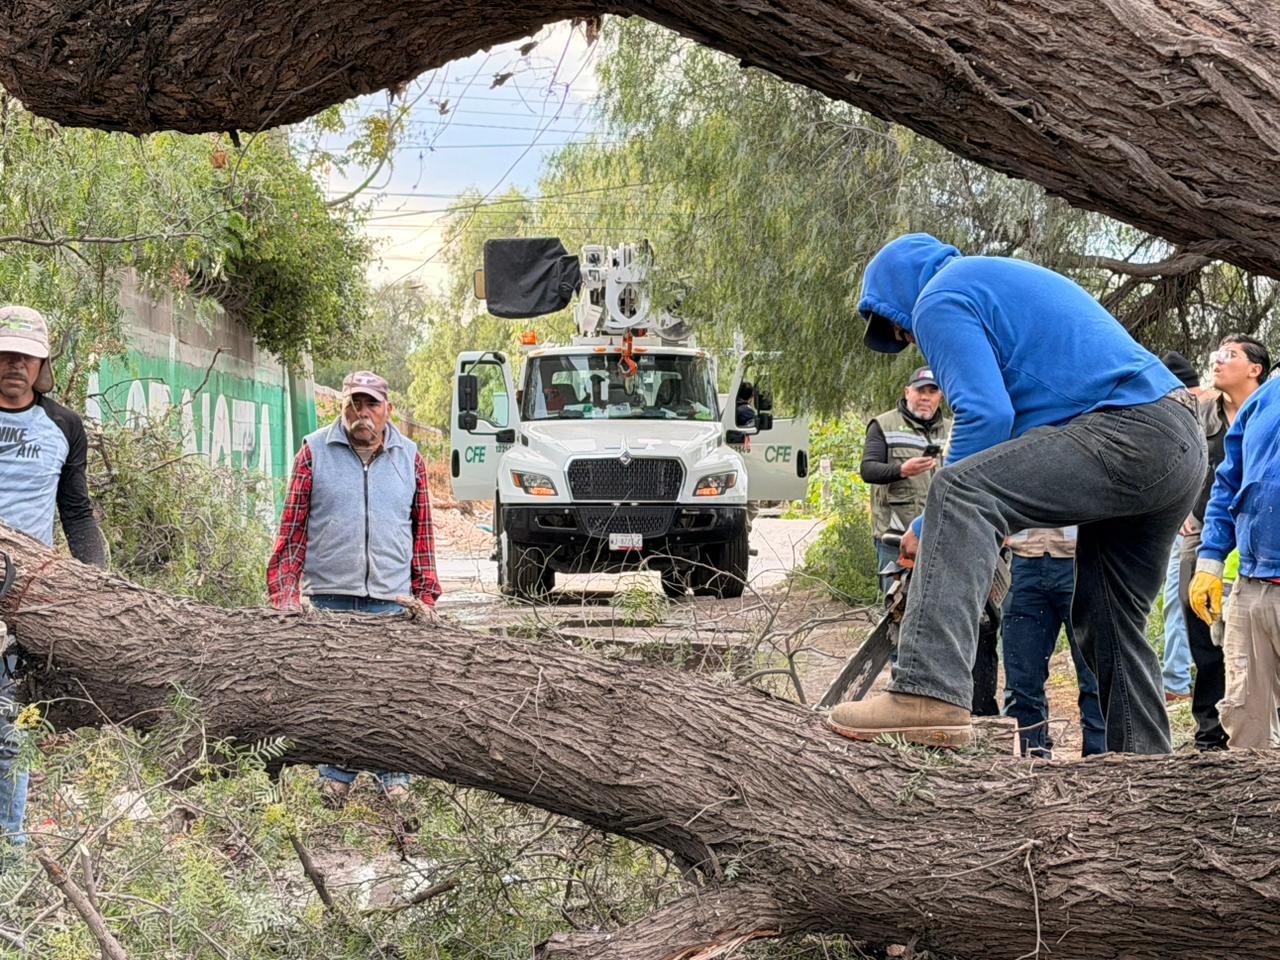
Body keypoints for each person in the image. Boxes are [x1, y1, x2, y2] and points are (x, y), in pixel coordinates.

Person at [828, 233, 1206, 753]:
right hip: (1177, 441)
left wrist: (930, 524)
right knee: (1107, 613)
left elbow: (987, 415)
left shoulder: (938, 296)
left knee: (958, 491)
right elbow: (1019, 442)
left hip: (1129, 432)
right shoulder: (994, 281)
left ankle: (926, 693)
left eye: (901, 329)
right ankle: (1143, 771)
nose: (912, 339)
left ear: (898, 295)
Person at [267, 370, 442, 805]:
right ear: (342, 406)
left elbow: (422, 535)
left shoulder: (411, 458)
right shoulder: (313, 452)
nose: (361, 414)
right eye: (353, 404)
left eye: (371, 405)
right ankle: (335, 776)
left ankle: (394, 776)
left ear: (387, 411)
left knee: (390, 690)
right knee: (336, 692)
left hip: (392, 598)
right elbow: (291, 533)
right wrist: (286, 596)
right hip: (331, 595)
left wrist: (425, 595)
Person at [0, 306, 106, 850]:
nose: (14, 363)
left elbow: (78, 514)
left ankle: (9, 855)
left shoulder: (63, 426)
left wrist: (98, 586)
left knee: (9, 734)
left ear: (42, 361)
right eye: (5, 353)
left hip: (20, 605)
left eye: (25, 354)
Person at [1179, 335, 1270, 749]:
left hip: (1264, 566)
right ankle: (1212, 736)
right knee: (1243, 715)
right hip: (1236, 566)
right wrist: (1209, 556)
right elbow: (1224, 482)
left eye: (1230, 355)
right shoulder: (1248, 406)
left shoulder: (1259, 401)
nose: (1218, 361)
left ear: (1255, 367)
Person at [1001, 527, 1105, 758]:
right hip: (1022, 560)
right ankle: (1030, 761)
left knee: (1095, 676)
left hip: (1083, 559)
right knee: (1021, 681)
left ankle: (1101, 761)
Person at [860, 366, 951, 596]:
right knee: (897, 611)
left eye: (932, 391)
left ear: (940, 396)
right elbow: (868, 470)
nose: (925, 397)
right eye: (920, 391)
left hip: (944, 538)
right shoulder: (883, 425)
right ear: (907, 392)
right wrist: (901, 469)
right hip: (896, 540)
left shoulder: (954, 430)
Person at [1158, 351, 1201, 703]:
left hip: (1210, 524)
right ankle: (1175, 679)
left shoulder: (1216, 414)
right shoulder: (1166, 417)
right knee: (1176, 600)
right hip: (1181, 525)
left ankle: (1179, 678)